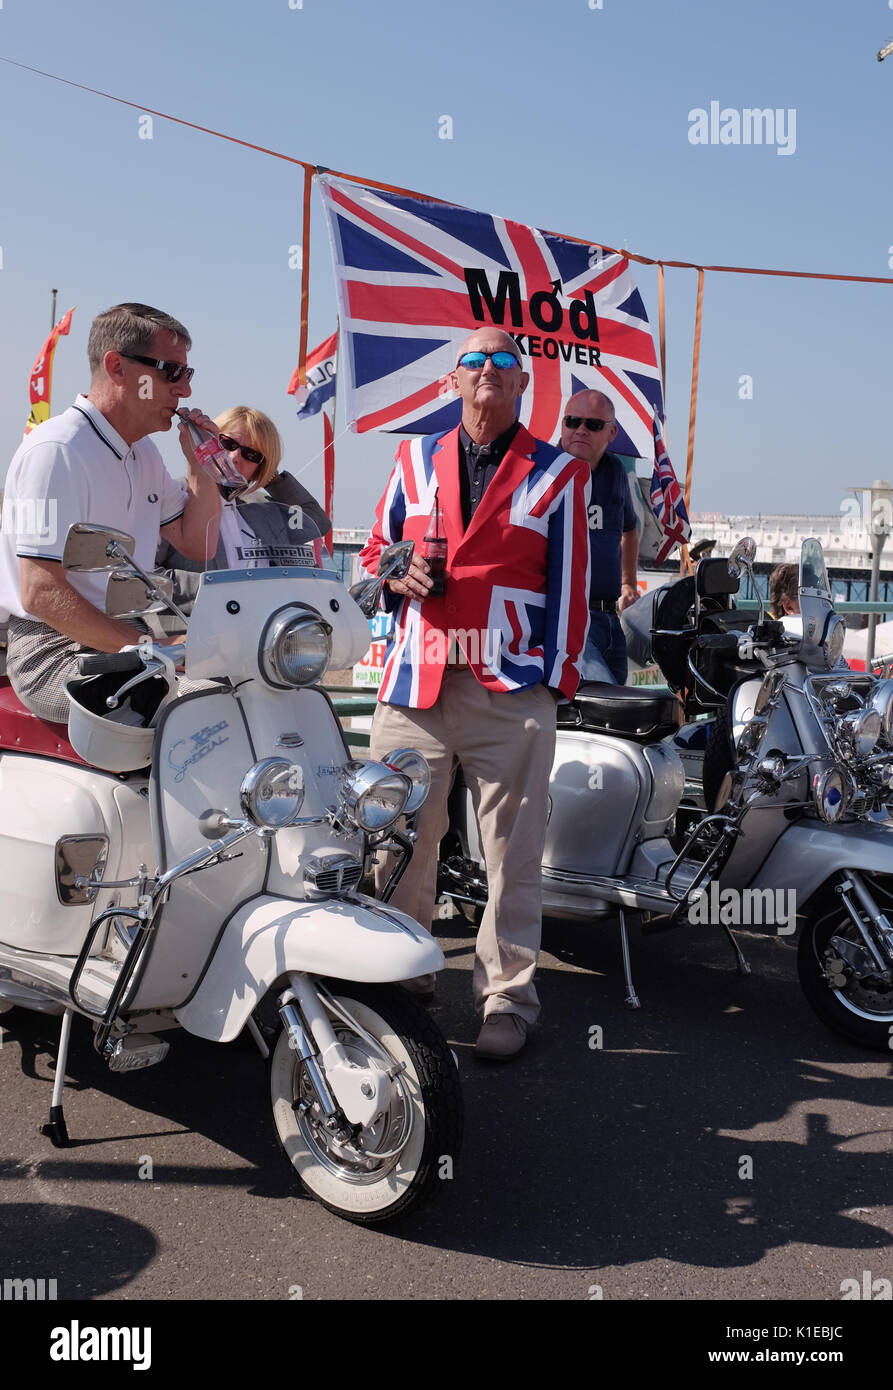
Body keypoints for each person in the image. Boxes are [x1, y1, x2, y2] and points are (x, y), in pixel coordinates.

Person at [361, 327, 591, 1062]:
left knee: (511, 855)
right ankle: (403, 974)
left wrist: (552, 680)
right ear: (452, 382)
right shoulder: (411, 457)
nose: (487, 371)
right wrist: (395, 574)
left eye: (502, 363)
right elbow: (373, 554)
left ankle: (505, 999)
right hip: (414, 682)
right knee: (396, 843)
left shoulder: (557, 472)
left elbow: (571, 588)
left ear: (522, 385)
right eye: (473, 362)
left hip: (508, 688)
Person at [0, 303, 221, 723]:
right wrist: (147, 647)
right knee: (205, 707)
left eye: (187, 374)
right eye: (171, 371)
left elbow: (199, 543)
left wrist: (201, 469)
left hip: (119, 637)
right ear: (117, 367)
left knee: (251, 687)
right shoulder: (56, 450)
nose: (184, 390)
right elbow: (40, 593)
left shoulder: (144, 453)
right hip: (51, 650)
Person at [155, 405, 331, 631]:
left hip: (258, 644)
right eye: (227, 444)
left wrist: (270, 477)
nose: (235, 457)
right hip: (189, 642)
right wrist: (213, 589)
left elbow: (316, 522)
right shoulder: (172, 496)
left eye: (252, 455)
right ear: (210, 440)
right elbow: (141, 573)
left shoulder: (261, 510)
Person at [560, 389, 638, 685]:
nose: (580, 429)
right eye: (572, 421)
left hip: (609, 618)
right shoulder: (543, 471)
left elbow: (630, 528)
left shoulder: (616, 471)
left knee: (614, 701)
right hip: (568, 618)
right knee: (607, 701)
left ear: (611, 432)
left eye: (592, 425)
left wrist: (628, 582)